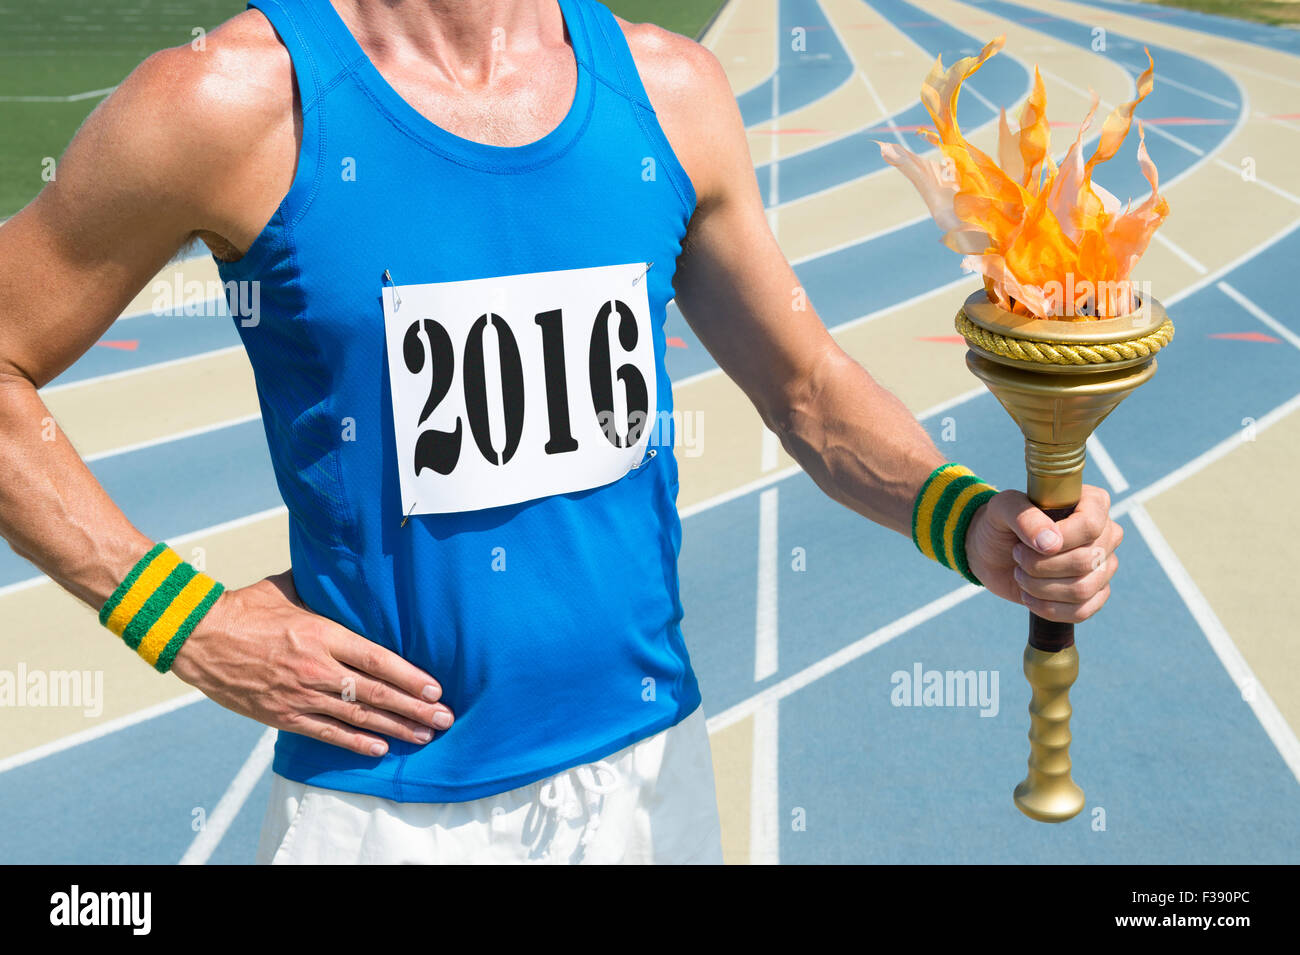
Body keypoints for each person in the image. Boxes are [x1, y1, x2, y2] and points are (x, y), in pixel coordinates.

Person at [0, 0, 1122, 864]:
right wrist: (178, 617)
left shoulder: (668, 90)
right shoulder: (235, 98)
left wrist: (971, 521)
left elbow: (808, 388)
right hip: (384, 812)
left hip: (649, 782)